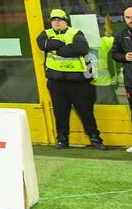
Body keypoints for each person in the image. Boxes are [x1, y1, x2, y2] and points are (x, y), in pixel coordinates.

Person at [36, 9, 106, 149]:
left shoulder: (75, 32)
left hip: (78, 82)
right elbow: (42, 45)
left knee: (86, 112)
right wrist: (64, 45)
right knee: (60, 113)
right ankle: (62, 139)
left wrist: (58, 49)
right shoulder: (46, 33)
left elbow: (80, 48)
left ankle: (95, 138)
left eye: (60, 19)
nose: (56, 21)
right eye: (54, 19)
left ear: (65, 21)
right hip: (56, 82)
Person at [108, 6, 132, 152]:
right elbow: (114, 54)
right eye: (127, 17)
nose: (131, 20)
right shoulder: (120, 35)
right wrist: (125, 57)